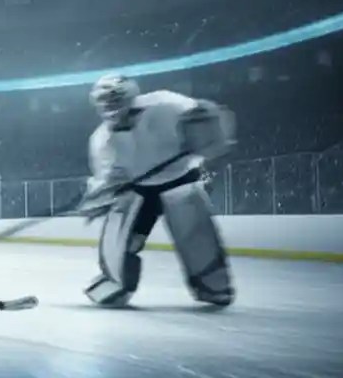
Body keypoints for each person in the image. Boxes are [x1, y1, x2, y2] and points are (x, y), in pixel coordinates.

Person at [80, 74, 236, 308]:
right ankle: (115, 281)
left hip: (180, 179)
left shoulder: (164, 104)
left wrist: (206, 131)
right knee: (121, 240)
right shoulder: (101, 140)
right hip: (140, 191)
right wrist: (102, 194)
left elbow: (203, 116)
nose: (109, 106)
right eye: (103, 100)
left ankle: (213, 285)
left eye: (114, 99)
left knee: (197, 239)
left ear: (130, 96)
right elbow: (109, 178)